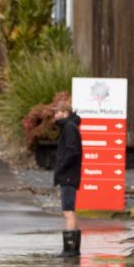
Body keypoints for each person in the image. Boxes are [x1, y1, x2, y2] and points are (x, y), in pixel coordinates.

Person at [52, 100, 82, 257]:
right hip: (69, 174)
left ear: (65, 113)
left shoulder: (69, 127)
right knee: (71, 210)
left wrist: (62, 168)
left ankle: (69, 250)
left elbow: (73, 151)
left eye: (57, 112)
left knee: (68, 211)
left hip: (68, 175)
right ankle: (74, 249)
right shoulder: (69, 126)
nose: (55, 115)